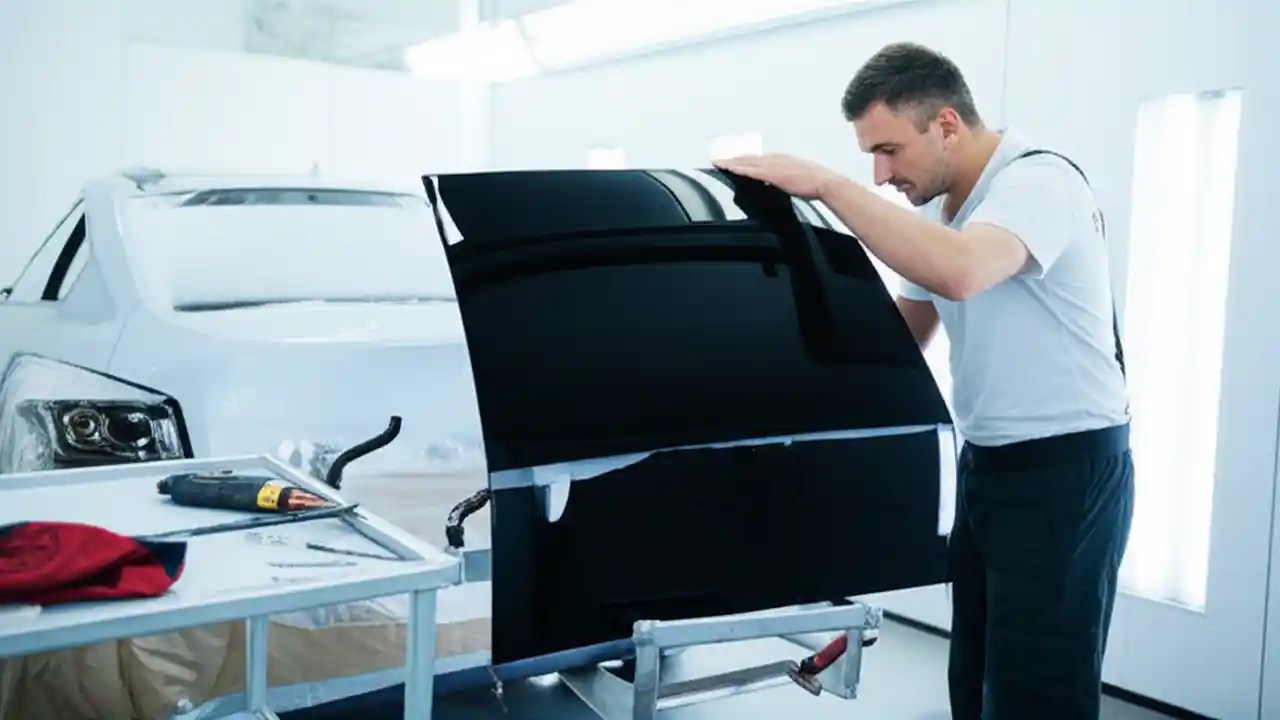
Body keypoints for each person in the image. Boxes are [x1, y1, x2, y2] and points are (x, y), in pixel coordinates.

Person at [715, 42, 1135, 719]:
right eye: (866, 159)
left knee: (1037, 693)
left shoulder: (1038, 183)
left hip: (1068, 472)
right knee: (973, 681)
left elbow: (962, 273)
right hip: (989, 468)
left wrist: (826, 185)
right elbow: (900, 343)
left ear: (945, 124)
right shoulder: (940, 216)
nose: (880, 174)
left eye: (889, 150)